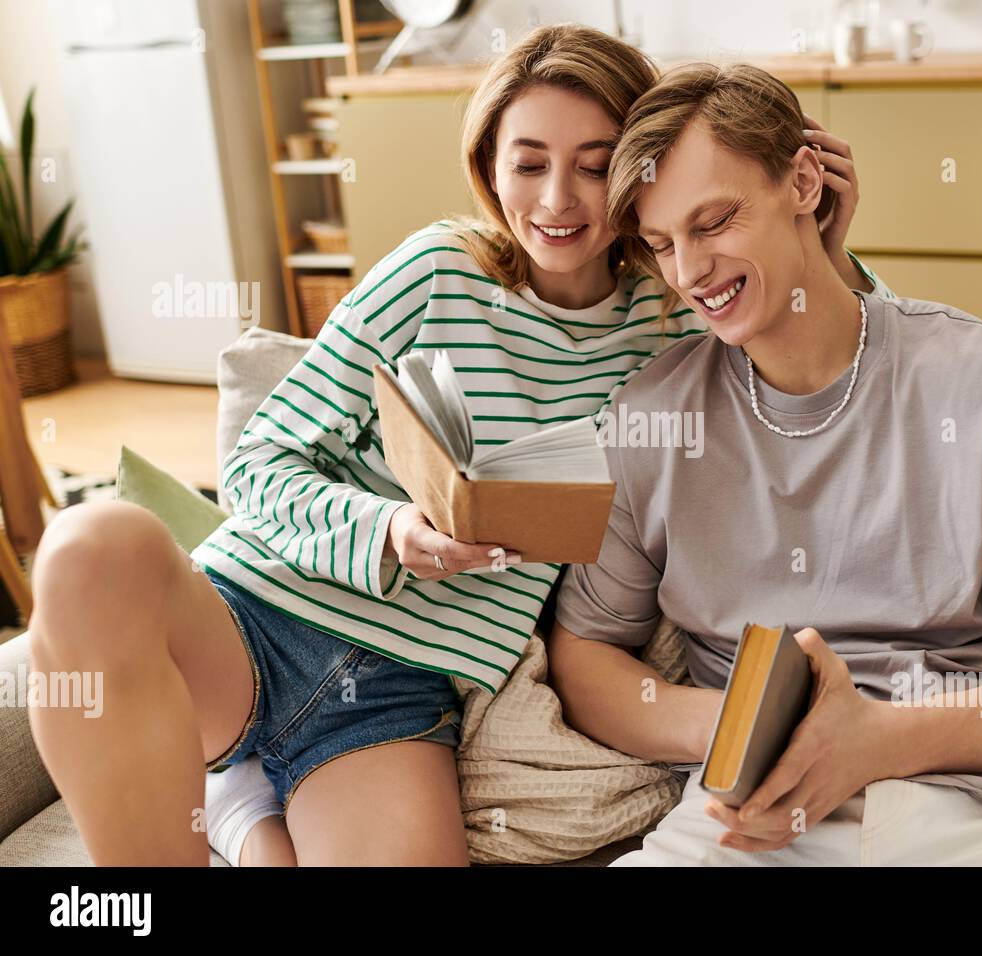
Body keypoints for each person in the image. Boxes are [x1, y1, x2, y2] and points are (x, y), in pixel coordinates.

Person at [24, 27, 890, 867]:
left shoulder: (667, 320)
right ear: (489, 166)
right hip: (253, 619)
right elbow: (259, 465)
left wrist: (824, 247)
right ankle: (232, 800)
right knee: (88, 545)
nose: (557, 201)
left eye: (595, 167)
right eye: (529, 164)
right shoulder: (435, 270)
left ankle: (245, 808)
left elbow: (818, 369)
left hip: (396, 697)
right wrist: (391, 533)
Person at [548, 62, 982, 866]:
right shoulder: (651, 419)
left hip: (981, 813)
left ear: (803, 180)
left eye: (716, 222)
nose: (690, 273)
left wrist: (872, 740)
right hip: (749, 823)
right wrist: (751, 729)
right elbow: (584, 656)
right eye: (663, 244)